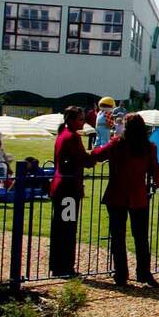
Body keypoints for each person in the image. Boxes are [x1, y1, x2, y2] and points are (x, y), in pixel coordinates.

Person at [95, 114, 159, 287]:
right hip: (138, 196)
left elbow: (97, 155)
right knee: (141, 237)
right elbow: (155, 170)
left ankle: (121, 274)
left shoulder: (117, 144)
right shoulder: (149, 147)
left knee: (118, 237)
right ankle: (144, 273)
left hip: (117, 195)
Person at [49, 106, 106, 277]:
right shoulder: (72, 138)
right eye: (81, 119)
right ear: (72, 120)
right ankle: (64, 267)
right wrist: (99, 153)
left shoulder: (62, 135)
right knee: (67, 228)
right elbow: (84, 160)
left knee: (60, 228)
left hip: (61, 185)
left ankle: (58, 265)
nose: (84, 121)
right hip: (68, 188)